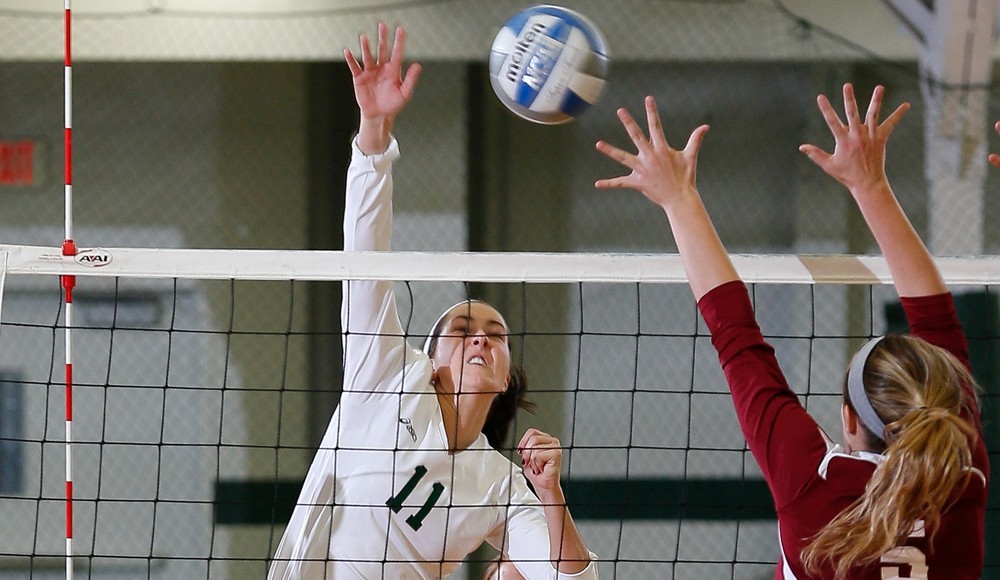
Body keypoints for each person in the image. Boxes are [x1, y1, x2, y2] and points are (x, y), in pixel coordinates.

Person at [594, 84, 988, 578]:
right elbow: (738, 341)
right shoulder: (961, 474)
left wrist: (679, 197)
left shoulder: (819, 484)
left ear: (849, 420)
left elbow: (935, 325)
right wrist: (870, 186)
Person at [268, 22, 597, 579]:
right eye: (464, 328)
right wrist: (374, 132)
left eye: (496, 335)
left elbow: (572, 578)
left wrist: (550, 494)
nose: (482, 339)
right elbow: (365, 261)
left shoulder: (500, 484)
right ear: (432, 356)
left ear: (506, 373)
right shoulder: (387, 373)